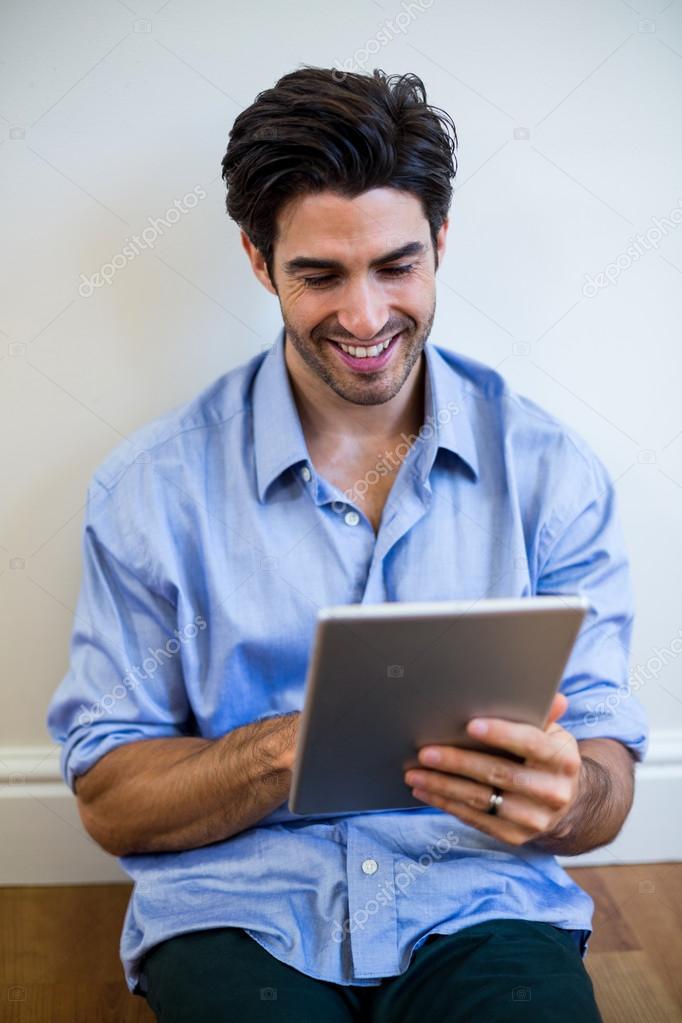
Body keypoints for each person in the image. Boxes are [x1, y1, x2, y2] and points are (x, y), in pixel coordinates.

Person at [46, 67, 648, 1022]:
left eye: (396, 266)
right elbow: (111, 799)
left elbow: (609, 778)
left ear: (440, 243)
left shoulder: (553, 474)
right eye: (320, 275)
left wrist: (571, 798)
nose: (365, 319)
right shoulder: (151, 489)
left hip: (480, 900)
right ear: (259, 261)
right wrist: (288, 749)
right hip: (238, 909)